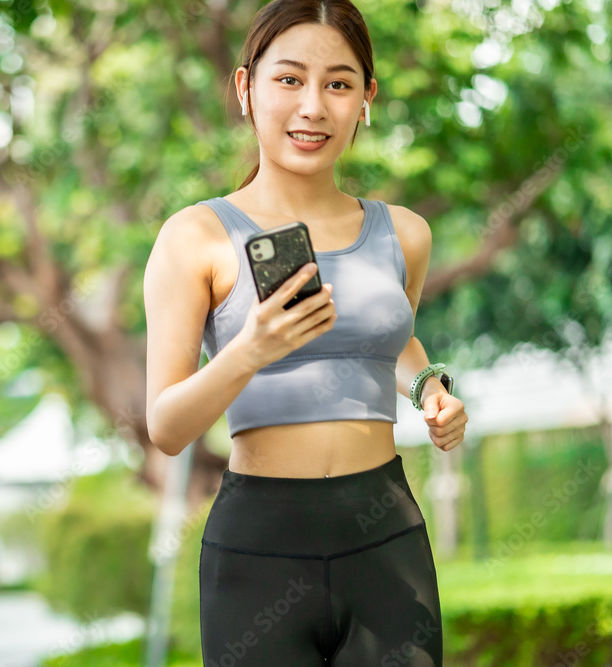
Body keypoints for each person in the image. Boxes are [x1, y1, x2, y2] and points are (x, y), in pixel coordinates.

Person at [142, 0, 468, 664]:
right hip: (259, 547)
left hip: (385, 533)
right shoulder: (196, 237)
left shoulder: (404, 233)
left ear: (366, 99)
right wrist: (253, 348)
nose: (313, 106)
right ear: (246, 88)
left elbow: (390, 338)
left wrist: (430, 387)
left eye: (339, 83)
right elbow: (168, 426)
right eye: (289, 79)